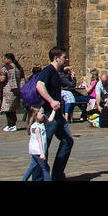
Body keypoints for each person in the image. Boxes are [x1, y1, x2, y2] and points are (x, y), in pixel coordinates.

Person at [34, 47, 74, 179]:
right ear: (56, 58)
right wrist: (51, 101)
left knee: (67, 141)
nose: (66, 59)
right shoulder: (48, 70)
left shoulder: (56, 72)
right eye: (64, 57)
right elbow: (40, 85)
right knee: (43, 147)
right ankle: (38, 178)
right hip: (48, 114)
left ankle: (57, 174)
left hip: (57, 114)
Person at [23, 105, 50, 181]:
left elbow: (50, 120)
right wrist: (42, 153)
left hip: (34, 151)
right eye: (41, 113)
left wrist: (54, 110)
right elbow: (39, 141)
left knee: (31, 168)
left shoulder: (40, 124)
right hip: (38, 151)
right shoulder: (37, 127)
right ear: (35, 115)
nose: (43, 115)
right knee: (45, 168)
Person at [0, 53, 24, 131]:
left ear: (9, 59)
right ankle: (13, 124)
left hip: (8, 89)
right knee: (13, 108)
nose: (4, 60)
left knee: (7, 108)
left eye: (5, 58)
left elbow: (2, 79)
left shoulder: (6, 67)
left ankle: (11, 124)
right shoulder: (18, 68)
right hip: (17, 89)